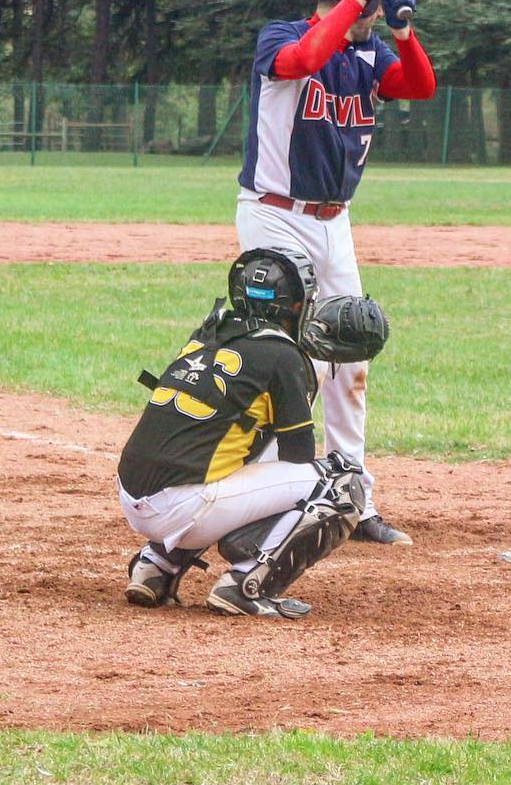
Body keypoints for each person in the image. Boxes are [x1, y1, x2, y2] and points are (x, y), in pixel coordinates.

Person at [236, 0, 436, 544]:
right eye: (369, 4)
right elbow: (303, 59)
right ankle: (261, 495)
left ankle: (352, 498)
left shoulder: (368, 52)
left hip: (334, 221)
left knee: (351, 353)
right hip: (275, 215)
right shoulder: (280, 36)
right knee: (284, 356)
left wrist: (403, 31)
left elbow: (420, 85)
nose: (372, 14)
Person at [119, 249, 374, 620]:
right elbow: (298, 455)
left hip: (132, 495)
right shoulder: (282, 355)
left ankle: (156, 565)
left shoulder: (206, 332)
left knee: (228, 445)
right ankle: (245, 584)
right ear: (297, 306)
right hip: (184, 508)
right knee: (339, 484)